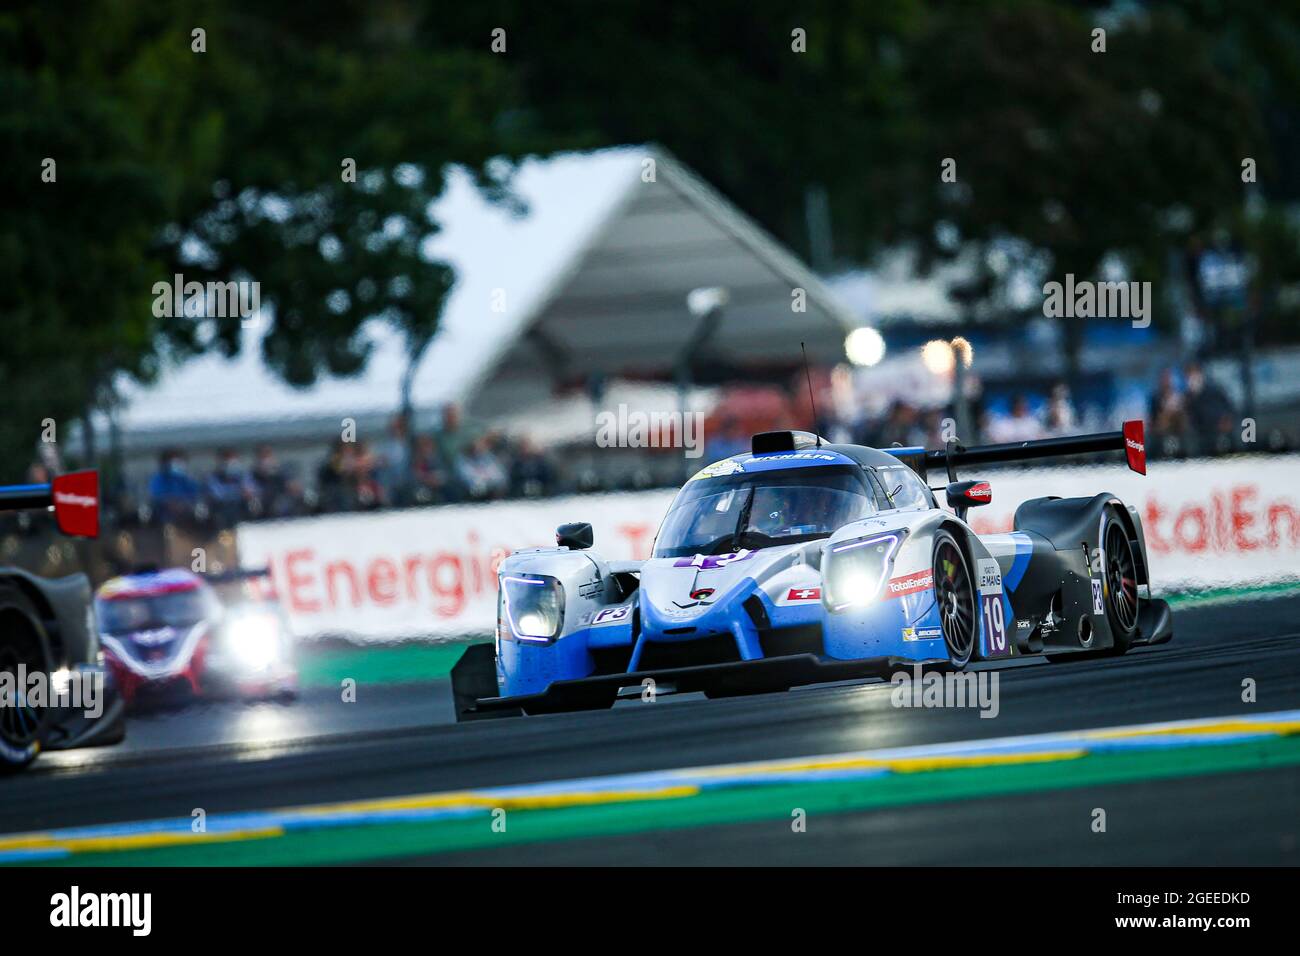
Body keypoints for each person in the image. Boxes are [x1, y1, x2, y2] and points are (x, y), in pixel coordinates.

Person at [1183, 361, 1234, 455]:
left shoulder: (1214, 389)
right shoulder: (1187, 397)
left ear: (1200, 374)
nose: (1192, 378)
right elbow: (1190, 420)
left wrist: (1227, 419)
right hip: (1201, 439)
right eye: (1189, 374)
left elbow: (1228, 407)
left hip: (1220, 434)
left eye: (1194, 373)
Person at [205, 448, 255, 527]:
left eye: (232, 459)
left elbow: (250, 491)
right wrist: (237, 493)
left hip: (241, 510)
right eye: (226, 459)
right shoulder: (213, 477)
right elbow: (217, 495)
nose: (230, 463)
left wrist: (247, 493)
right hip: (222, 511)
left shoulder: (243, 475)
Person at [147, 449, 200, 522]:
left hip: (187, 517)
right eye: (176, 461)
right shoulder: (158, 479)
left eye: (181, 461)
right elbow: (158, 497)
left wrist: (185, 505)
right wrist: (173, 504)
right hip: (164, 519)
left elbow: (196, 496)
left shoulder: (187, 479)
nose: (180, 464)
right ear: (166, 463)